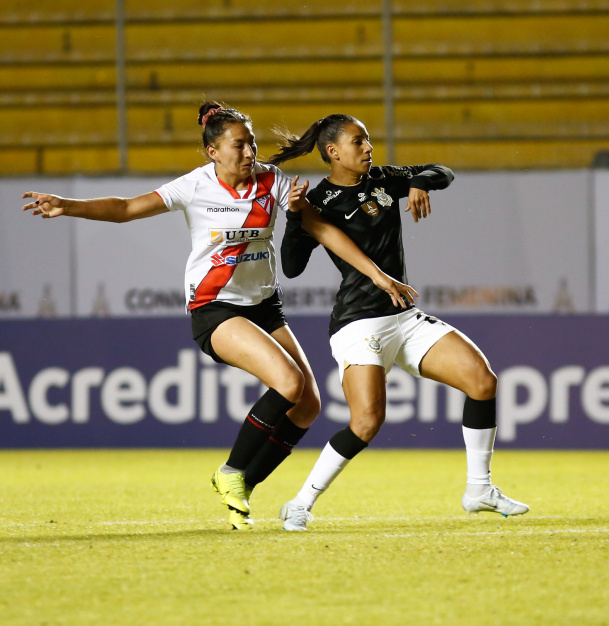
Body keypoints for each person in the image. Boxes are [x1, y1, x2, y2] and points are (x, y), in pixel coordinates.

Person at [22, 102, 416, 530]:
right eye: (238, 145)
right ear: (213, 151)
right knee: (288, 382)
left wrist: (374, 273)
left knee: (307, 407)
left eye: (251, 144)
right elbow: (125, 208)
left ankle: (243, 486)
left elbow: (320, 228)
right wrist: (67, 204)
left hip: (264, 305)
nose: (249, 153)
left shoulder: (272, 180)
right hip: (214, 306)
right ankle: (231, 471)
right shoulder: (195, 186)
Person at [267, 113, 529, 531]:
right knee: (367, 422)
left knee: (482, 381)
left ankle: (479, 489)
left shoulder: (383, 179)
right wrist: (296, 217)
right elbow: (294, 267)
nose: (369, 148)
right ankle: (300, 503)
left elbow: (442, 172)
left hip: (404, 317)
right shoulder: (318, 203)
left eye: (368, 140)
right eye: (359, 142)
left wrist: (421, 182)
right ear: (333, 152)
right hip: (359, 324)